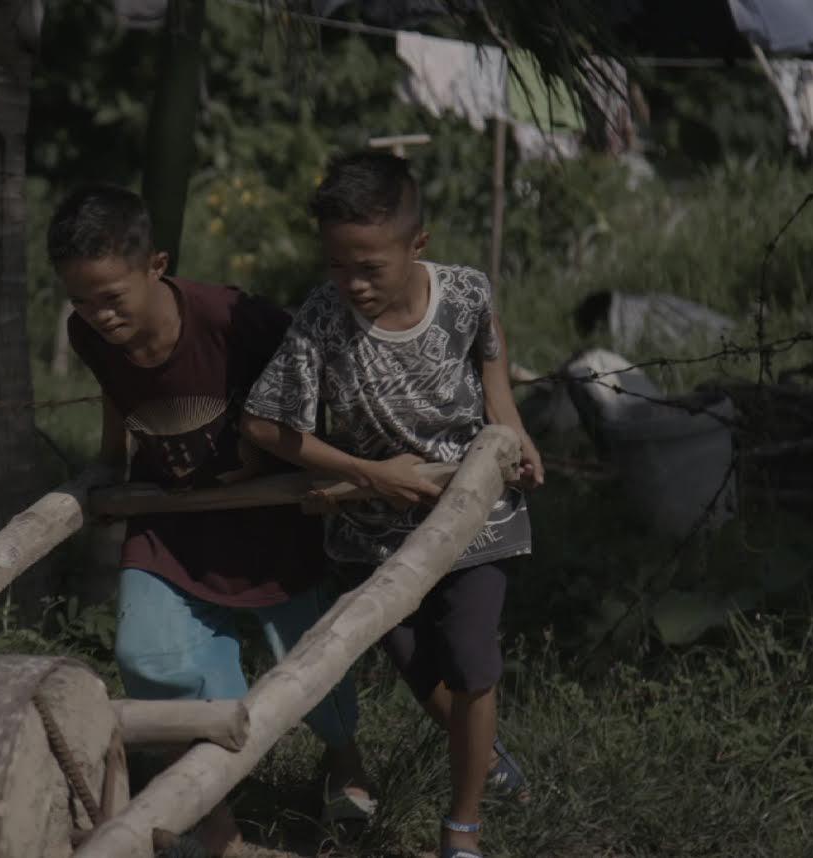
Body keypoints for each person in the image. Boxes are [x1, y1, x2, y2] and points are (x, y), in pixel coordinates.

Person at [48, 184, 374, 855]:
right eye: (81, 300)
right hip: (171, 520)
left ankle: (345, 762)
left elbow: (311, 373)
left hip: (270, 518)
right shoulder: (88, 333)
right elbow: (119, 392)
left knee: (310, 661)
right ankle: (215, 815)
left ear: (156, 265)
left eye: (112, 297)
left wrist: (289, 461)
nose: (98, 315)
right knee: (151, 656)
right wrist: (110, 463)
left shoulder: (233, 318)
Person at [241, 151, 542, 858]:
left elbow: (489, 354)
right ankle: (489, 756)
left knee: (471, 662)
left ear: (418, 245)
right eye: (337, 265)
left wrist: (511, 429)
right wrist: (370, 474)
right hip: (373, 534)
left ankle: (461, 826)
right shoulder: (322, 318)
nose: (352, 283)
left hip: (473, 513)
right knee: (422, 672)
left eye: (369, 266)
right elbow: (263, 425)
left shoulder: (464, 291)